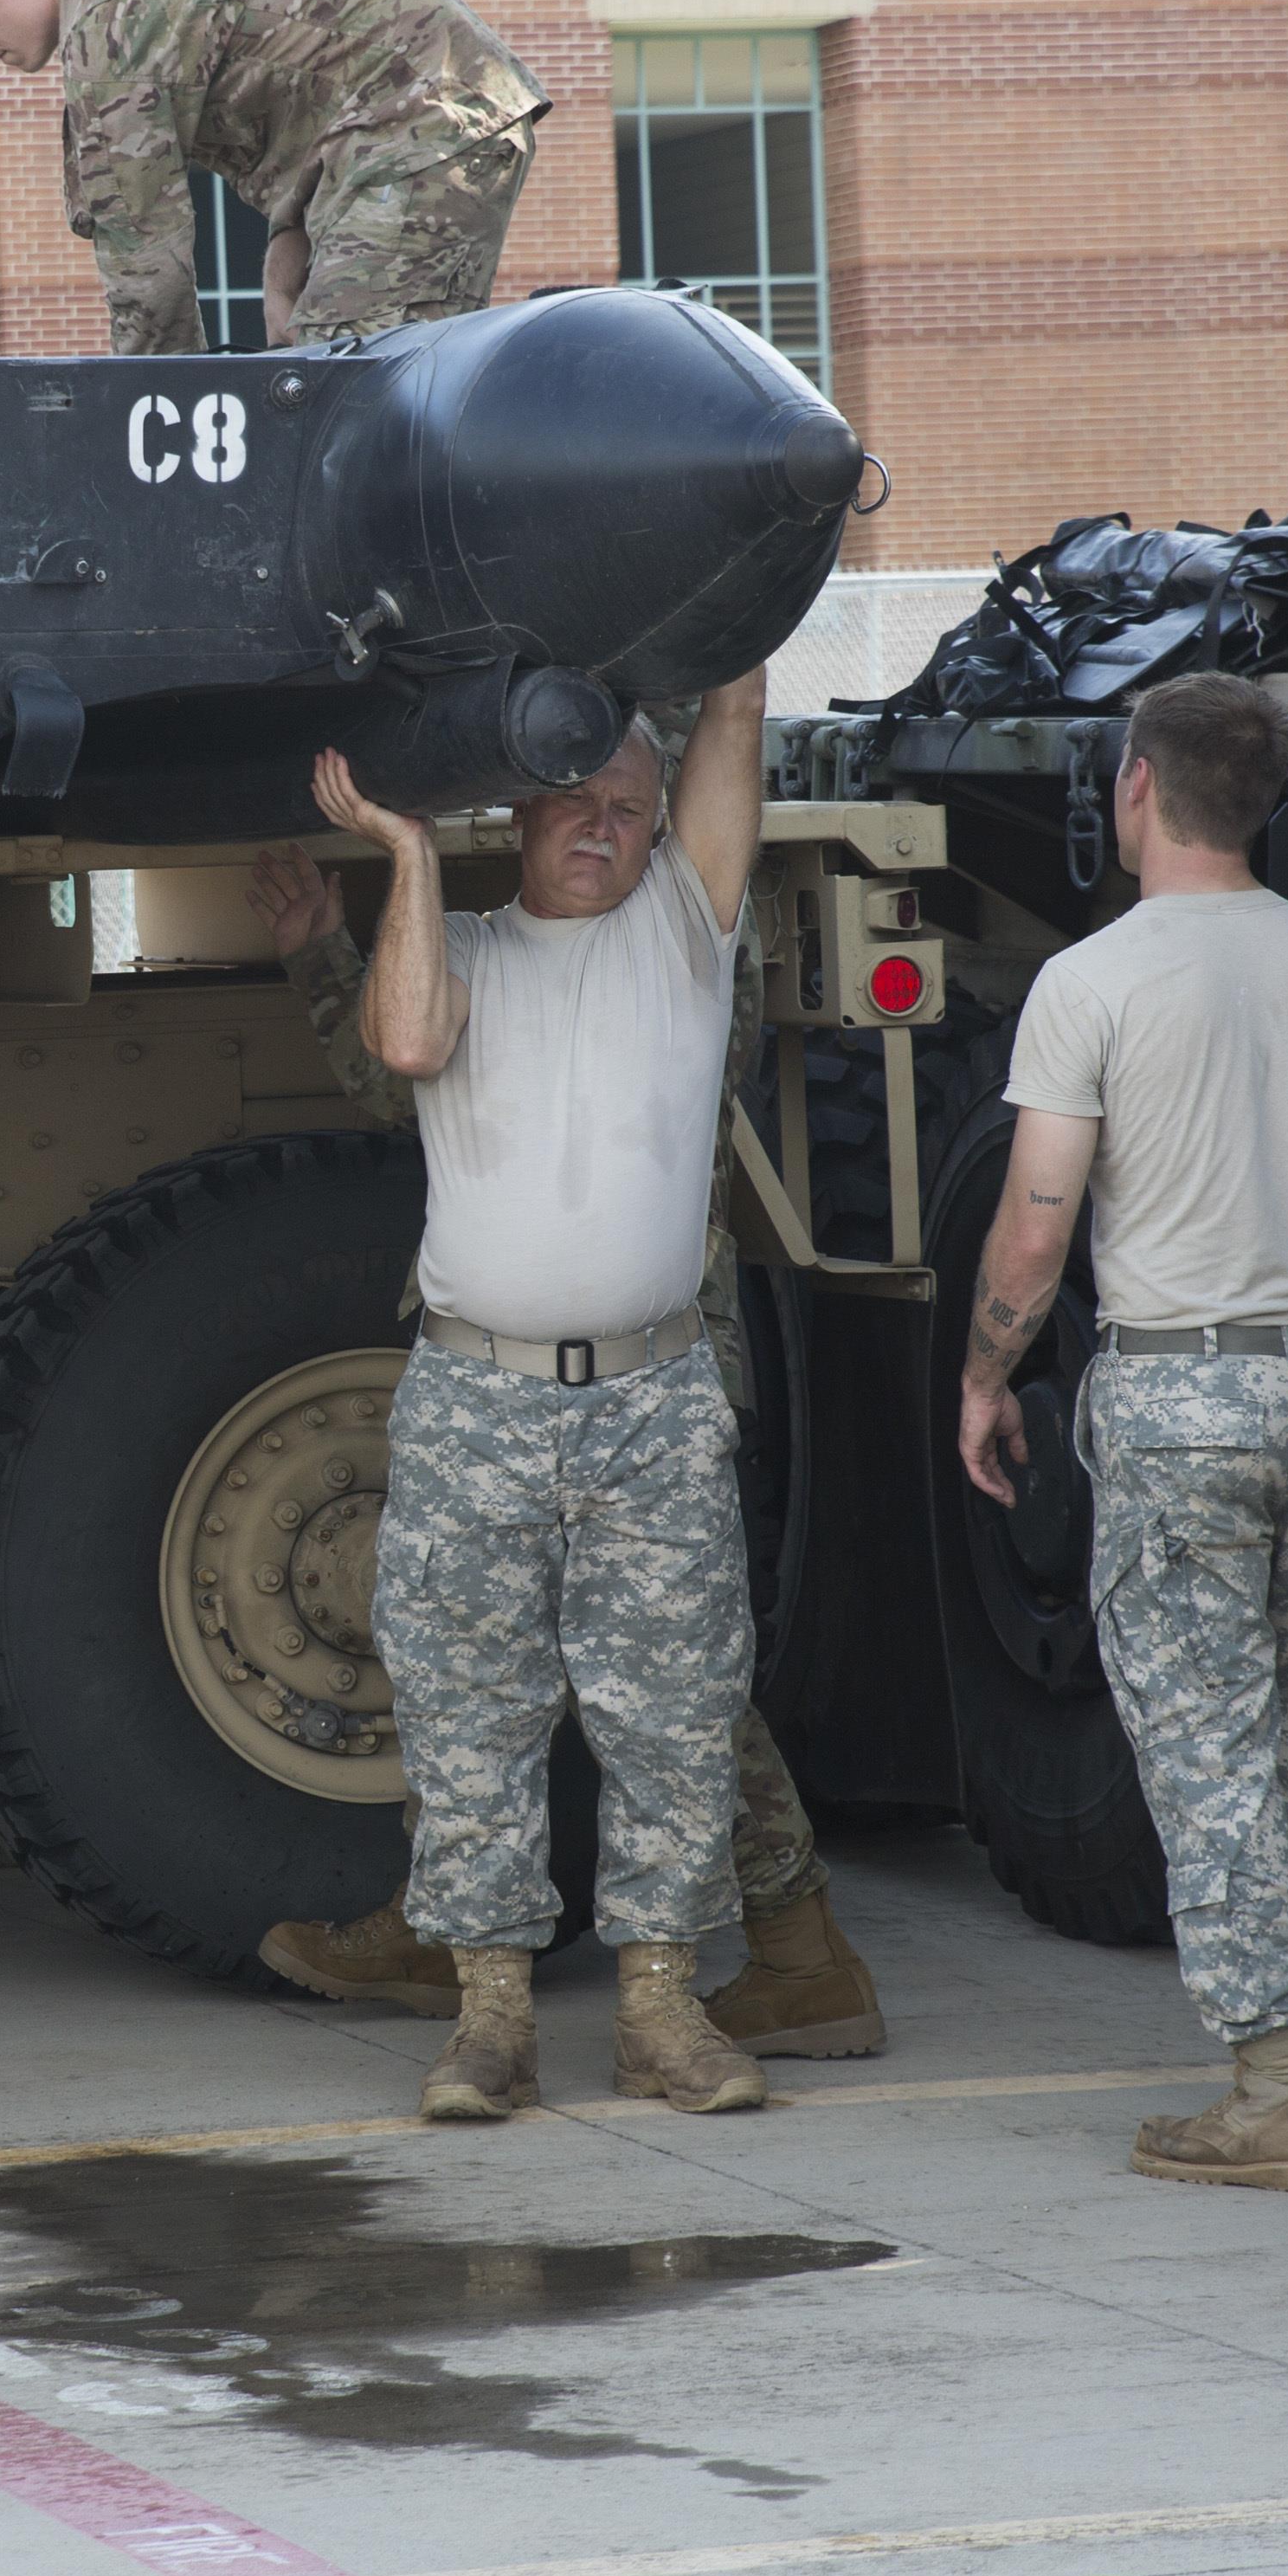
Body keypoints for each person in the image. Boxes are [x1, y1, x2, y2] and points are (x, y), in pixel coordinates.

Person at [243, 834, 886, 2061]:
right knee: (501, 1665)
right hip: (617, 1347)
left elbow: (405, 1079)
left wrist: (336, 953)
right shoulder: (603, 938)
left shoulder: (667, 942)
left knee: (656, 1685)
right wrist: (329, 953)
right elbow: (408, 1075)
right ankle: (492, 1938)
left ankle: (791, 1948)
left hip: (646, 1351)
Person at [960, 674, 1288, 2193]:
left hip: (1183, 1393)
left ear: (1137, 787)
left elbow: (1035, 1235)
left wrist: (981, 1378)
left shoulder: (1094, 982)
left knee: (1211, 1753)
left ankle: (1273, 2092)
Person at [319, 675, 776, 2126]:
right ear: (519, 806)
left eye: (633, 807)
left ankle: (662, 2011)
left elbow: (737, 722)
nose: (607, 824)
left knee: (675, 1720)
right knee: (471, 1720)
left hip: (650, 1399)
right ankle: (489, 2023)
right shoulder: (452, 948)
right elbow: (401, 1044)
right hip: (478, 1398)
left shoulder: (685, 937)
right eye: (579, 796)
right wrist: (401, 851)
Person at [0, 0, 546, 358]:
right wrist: (289, 246)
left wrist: (155, 431)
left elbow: (146, 267)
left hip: (428, 131)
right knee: (316, 370)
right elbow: (314, 83)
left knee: (350, 391)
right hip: (413, 129)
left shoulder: (110, 27)